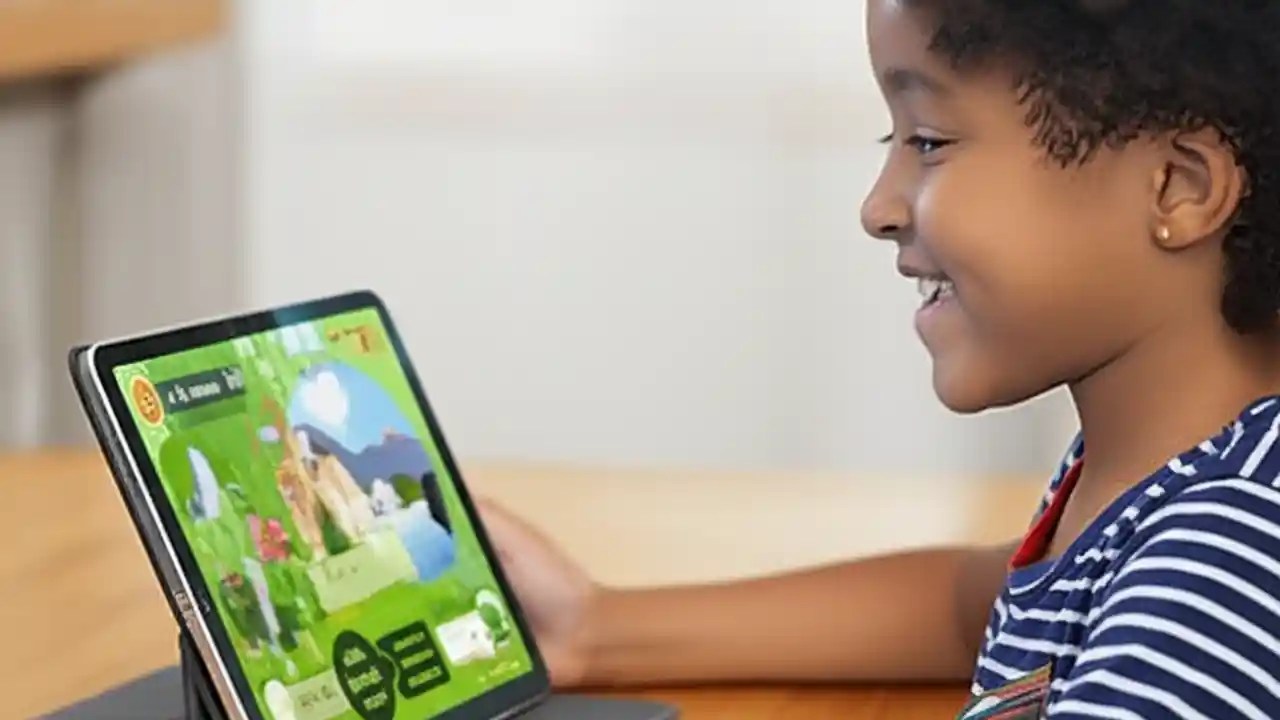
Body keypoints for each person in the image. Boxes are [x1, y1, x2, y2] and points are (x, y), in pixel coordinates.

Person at [479, 1, 1280, 716]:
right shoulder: (1167, 487)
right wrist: (595, 625)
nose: (877, 206)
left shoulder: (1221, 557)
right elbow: (977, 609)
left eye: (929, 141)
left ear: (1177, 187)